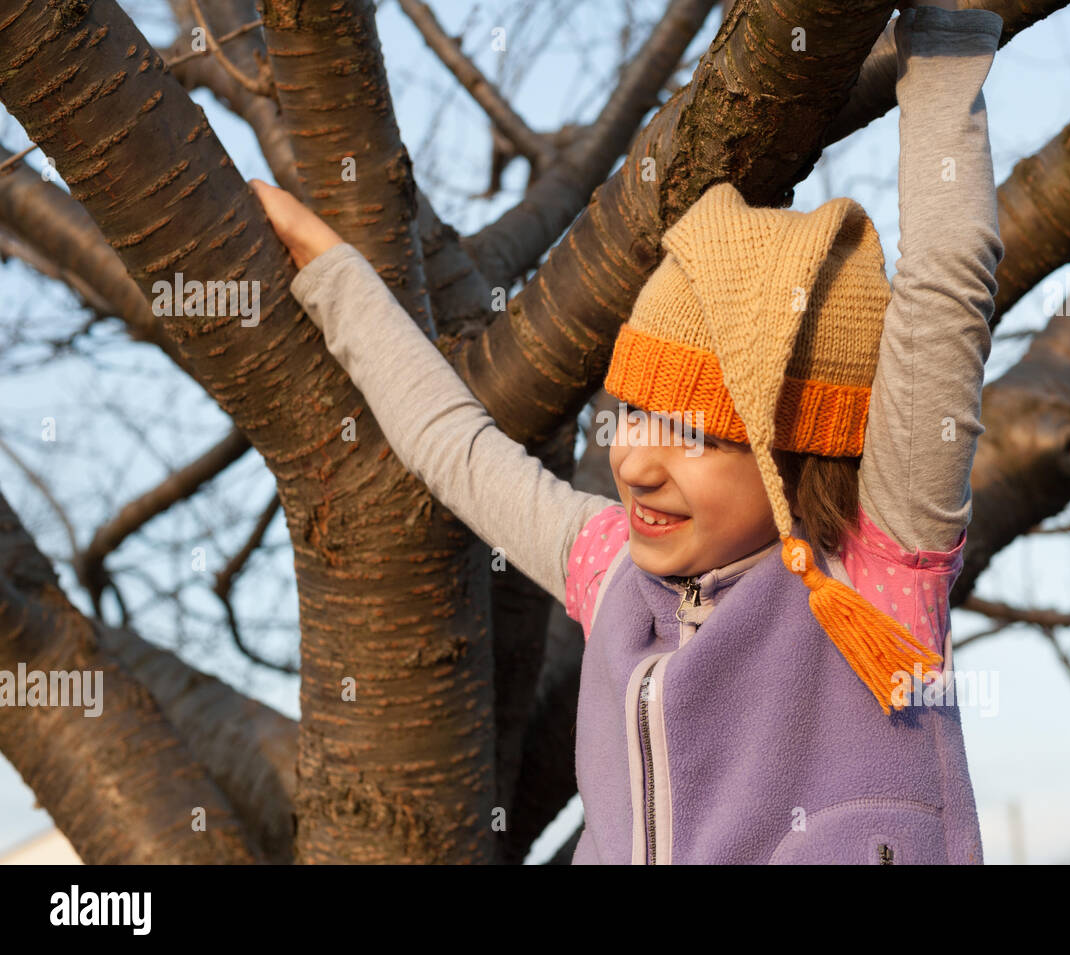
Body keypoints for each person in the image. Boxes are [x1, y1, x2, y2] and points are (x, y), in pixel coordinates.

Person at [252, 0, 1004, 865]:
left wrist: (946, 38)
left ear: (791, 456)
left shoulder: (875, 569)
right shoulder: (610, 571)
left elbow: (947, 284)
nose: (636, 463)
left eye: (696, 436)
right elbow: (454, 447)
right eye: (630, 412)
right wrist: (334, 273)